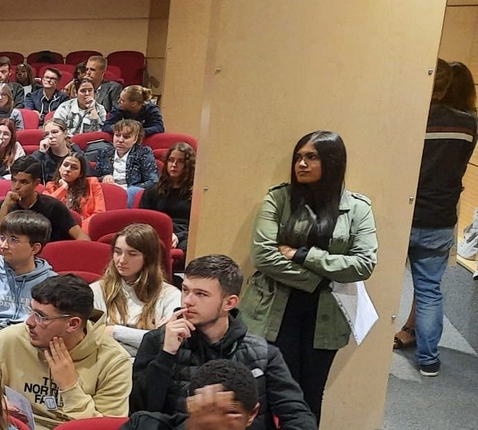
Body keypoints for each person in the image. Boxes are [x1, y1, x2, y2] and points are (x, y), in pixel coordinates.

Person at [238, 131, 376, 422]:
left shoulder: (358, 209)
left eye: (311, 157)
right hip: (274, 312)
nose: (301, 163)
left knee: (311, 394)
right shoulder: (278, 199)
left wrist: (303, 255)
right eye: (299, 157)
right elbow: (263, 256)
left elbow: (363, 264)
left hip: (325, 316)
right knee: (271, 393)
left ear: (333, 161)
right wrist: (319, 278)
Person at [129, 255, 315, 430]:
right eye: (185, 290)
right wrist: (166, 355)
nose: (187, 301)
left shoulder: (263, 353)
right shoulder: (157, 341)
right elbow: (140, 413)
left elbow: (298, 416)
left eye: (201, 294)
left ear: (229, 303)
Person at [394, 60, 477, 373]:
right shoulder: (470, 124)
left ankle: (367, 357)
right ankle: (428, 361)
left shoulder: (413, 118)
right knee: (430, 291)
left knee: (381, 286)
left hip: (403, 215)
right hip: (440, 220)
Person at [0, 275, 132, 429]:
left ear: (73, 324)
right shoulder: (8, 340)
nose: (29, 322)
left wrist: (69, 387)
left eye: (41, 317)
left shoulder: (114, 361)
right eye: (31, 311)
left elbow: (107, 427)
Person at [92, 224, 180, 356]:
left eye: (132, 254)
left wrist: (114, 331)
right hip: (106, 365)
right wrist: (150, 339)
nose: (121, 260)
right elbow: (91, 340)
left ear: (148, 258)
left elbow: (168, 342)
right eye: (117, 252)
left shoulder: (171, 295)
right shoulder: (96, 290)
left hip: (149, 368)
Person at [124, 360, 266, 430]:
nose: (216, 421)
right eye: (208, 409)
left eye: (230, 412)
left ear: (252, 414)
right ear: (192, 405)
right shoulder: (144, 425)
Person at [0, 157, 91, 243]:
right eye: (13, 180)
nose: (16, 187)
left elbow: (81, 237)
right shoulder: (3, 206)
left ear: (36, 183)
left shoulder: (54, 207)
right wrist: (5, 207)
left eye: (23, 182)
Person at [140, 143, 195, 249]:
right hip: (157, 233)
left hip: (185, 236)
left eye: (180, 161)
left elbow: (198, 226)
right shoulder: (153, 190)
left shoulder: (195, 193)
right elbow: (144, 220)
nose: (174, 164)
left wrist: (178, 236)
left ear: (188, 165)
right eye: (171, 160)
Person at [90, 119, 159, 192]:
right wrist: (103, 178)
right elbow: (94, 178)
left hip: (133, 194)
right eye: (117, 135)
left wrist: (130, 190)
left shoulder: (143, 153)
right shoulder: (104, 153)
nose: (120, 140)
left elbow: (153, 181)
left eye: (126, 137)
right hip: (108, 192)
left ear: (135, 139)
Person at [43, 152, 106, 224]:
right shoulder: (51, 186)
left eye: (74, 167)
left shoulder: (92, 183)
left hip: (83, 228)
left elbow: (99, 213)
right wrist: (63, 188)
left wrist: (78, 230)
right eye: (65, 165)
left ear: (80, 173)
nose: (68, 169)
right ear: (60, 168)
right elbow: (45, 208)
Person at [31, 119, 85, 185]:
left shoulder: (78, 154)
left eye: (54, 132)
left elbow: (87, 178)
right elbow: (27, 173)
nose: (50, 136)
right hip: (49, 192)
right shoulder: (41, 155)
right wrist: (41, 152)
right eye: (46, 134)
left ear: (65, 133)